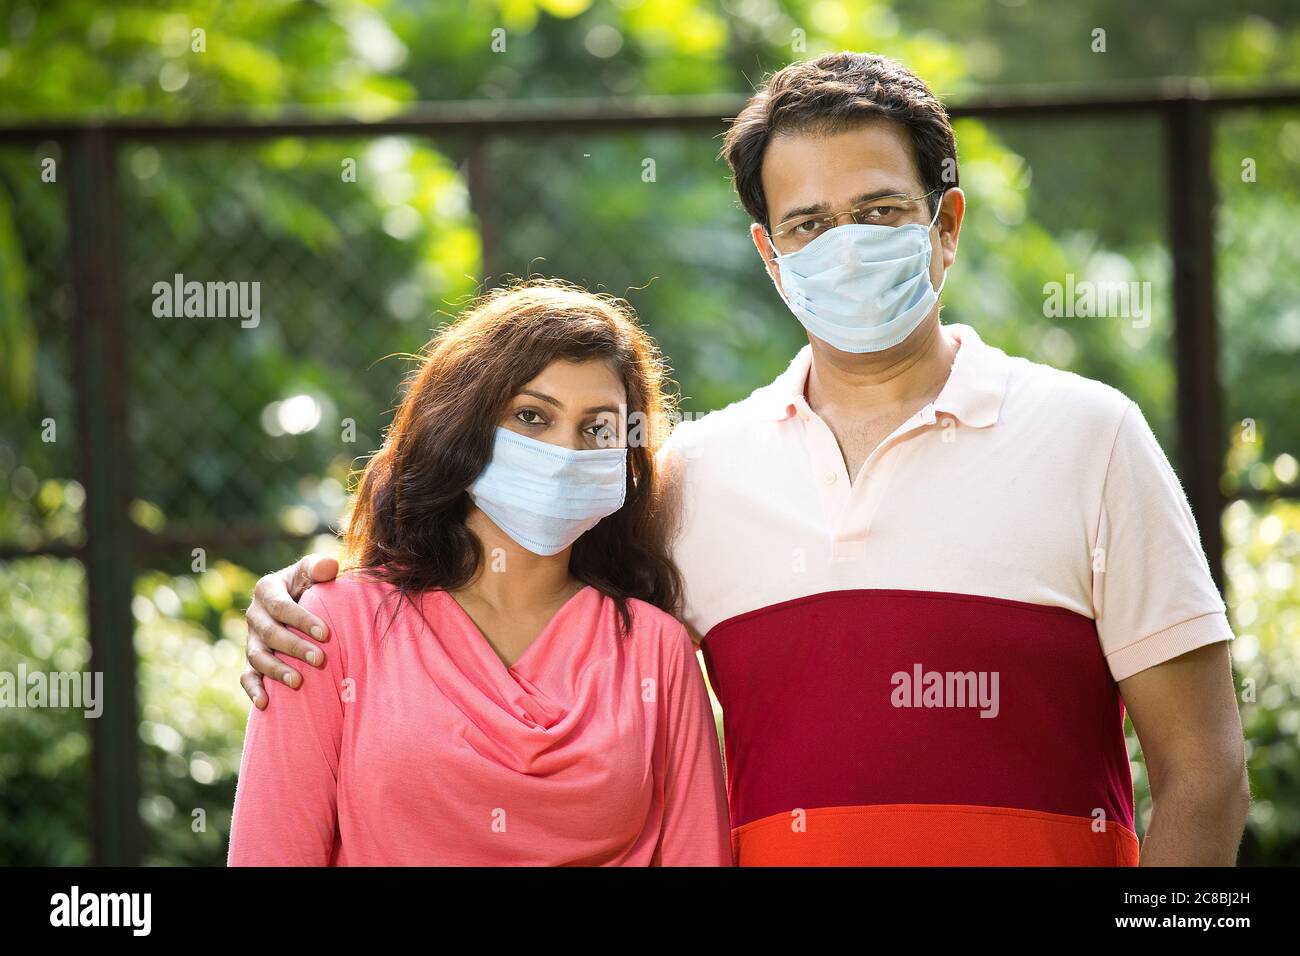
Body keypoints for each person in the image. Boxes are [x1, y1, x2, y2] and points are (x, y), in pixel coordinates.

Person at [242, 53, 1249, 866]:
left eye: (881, 211)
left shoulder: (1091, 435)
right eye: (808, 224)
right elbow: (521, 591)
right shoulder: (693, 476)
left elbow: (1204, 774)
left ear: (944, 225)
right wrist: (312, 591)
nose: (844, 245)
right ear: (772, 257)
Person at [228, 280, 732, 866]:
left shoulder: (657, 651)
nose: (566, 451)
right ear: (462, 427)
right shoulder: (328, 626)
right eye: (531, 416)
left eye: (598, 429)